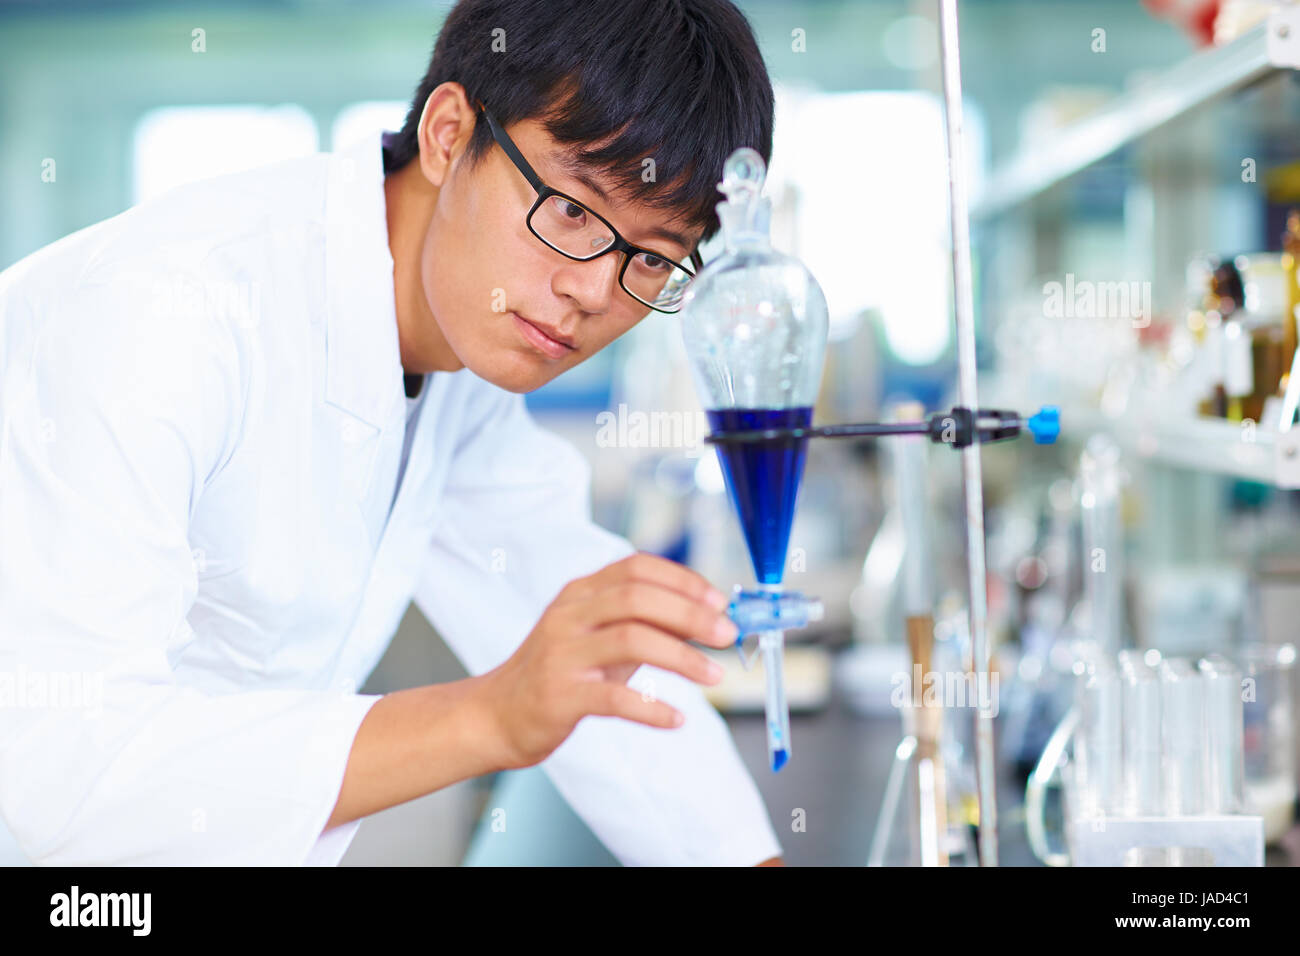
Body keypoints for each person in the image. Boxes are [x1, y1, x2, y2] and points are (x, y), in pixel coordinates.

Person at [0, 0, 785, 865]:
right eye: (572, 210)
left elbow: (596, 653)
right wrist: (488, 718)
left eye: (650, 257)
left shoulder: (464, 353)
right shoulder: (167, 316)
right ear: (449, 134)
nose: (596, 292)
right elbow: (59, 774)